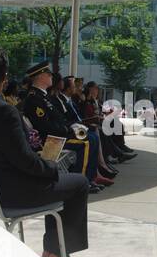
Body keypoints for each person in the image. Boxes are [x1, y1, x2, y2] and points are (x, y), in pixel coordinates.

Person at [0, 47, 88, 257]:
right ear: (4, 78)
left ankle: (54, 251)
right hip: (9, 193)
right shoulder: (3, 111)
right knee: (78, 183)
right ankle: (57, 253)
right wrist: (51, 167)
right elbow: (25, 162)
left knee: (61, 179)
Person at [22, 62, 105, 190]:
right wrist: (68, 130)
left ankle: (90, 177)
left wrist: (73, 126)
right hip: (50, 141)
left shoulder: (44, 97)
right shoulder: (34, 99)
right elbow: (45, 127)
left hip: (57, 135)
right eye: (48, 74)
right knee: (86, 142)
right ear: (40, 77)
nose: (51, 76)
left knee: (93, 137)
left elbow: (59, 118)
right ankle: (81, 183)